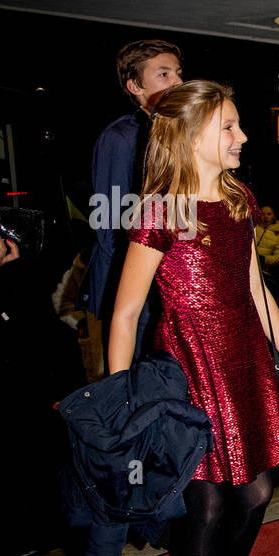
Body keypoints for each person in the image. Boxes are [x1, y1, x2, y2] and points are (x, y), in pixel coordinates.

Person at [109, 80, 279, 556]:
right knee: (204, 507)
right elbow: (125, 312)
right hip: (189, 369)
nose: (243, 136)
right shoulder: (161, 209)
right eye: (228, 127)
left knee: (255, 492)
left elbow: (254, 286)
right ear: (188, 136)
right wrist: (122, 403)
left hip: (244, 359)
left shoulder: (238, 199)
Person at [81, 40, 183, 354]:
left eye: (178, 73)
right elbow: (110, 224)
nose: (177, 82)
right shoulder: (121, 137)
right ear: (135, 85)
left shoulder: (175, 131)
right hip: (134, 289)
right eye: (163, 74)